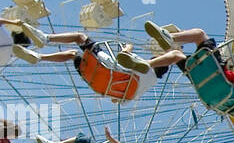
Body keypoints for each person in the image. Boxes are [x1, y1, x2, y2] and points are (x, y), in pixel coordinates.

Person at [130, 23, 234, 105]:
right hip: (204, 87)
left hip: (215, 75)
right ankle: (146, 64)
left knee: (200, 35)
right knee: (177, 55)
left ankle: (170, 38)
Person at [13, 31, 170, 102]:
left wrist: (128, 47)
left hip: (103, 67)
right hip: (98, 84)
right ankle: (40, 57)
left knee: (80, 37)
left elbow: (124, 58)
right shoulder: (146, 87)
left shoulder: (146, 66)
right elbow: (120, 100)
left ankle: (45, 39)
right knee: (74, 55)